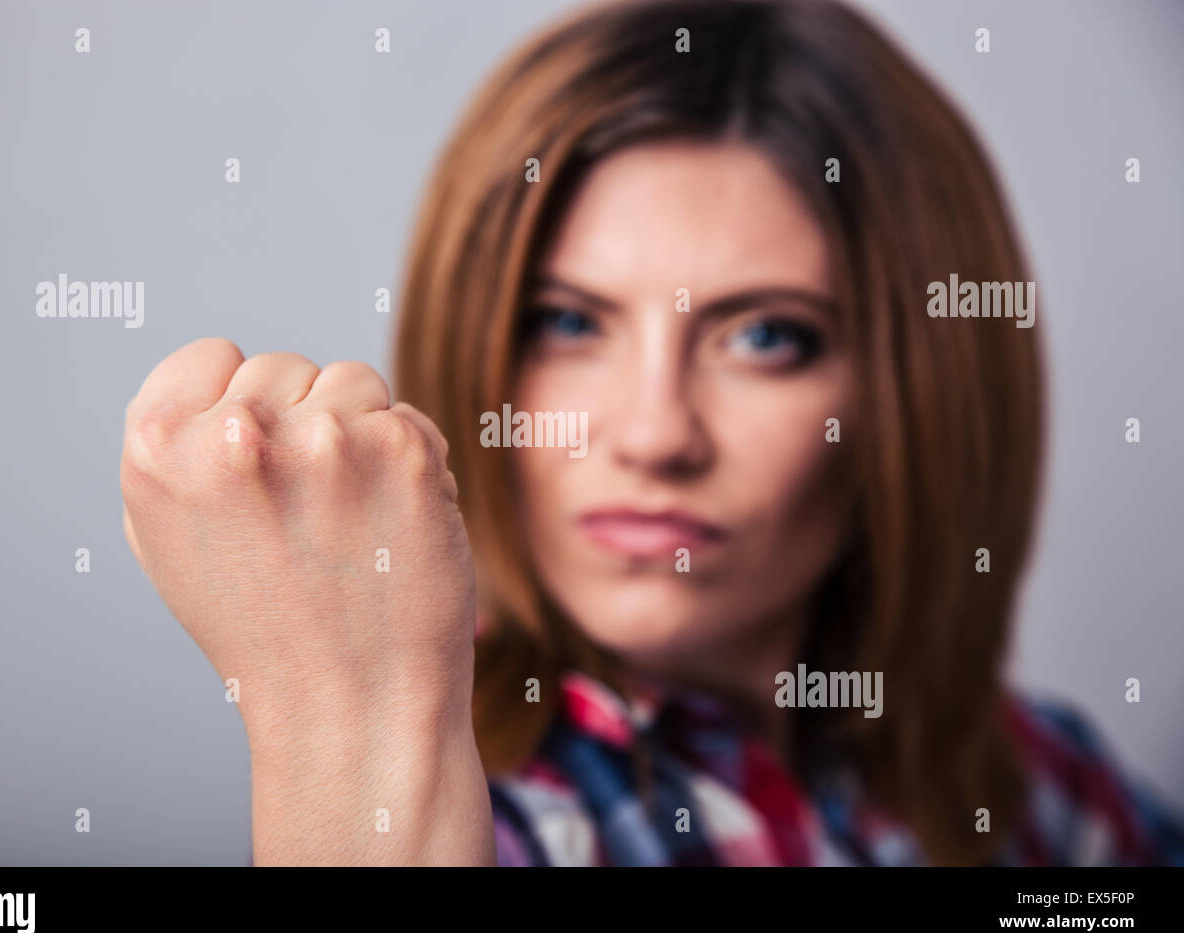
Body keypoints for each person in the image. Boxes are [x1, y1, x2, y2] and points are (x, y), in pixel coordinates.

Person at [118, 0, 1184, 865]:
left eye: (765, 335)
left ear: (920, 388)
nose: (652, 433)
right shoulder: (486, 820)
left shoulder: (1052, 795)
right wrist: (341, 716)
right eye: (569, 323)